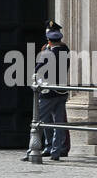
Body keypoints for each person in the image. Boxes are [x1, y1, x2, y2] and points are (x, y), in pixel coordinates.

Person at [24, 20, 71, 161]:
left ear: (49, 39)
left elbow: (38, 69)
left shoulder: (48, 52)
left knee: (38, 121)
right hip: (61, 91)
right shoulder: (64, 50)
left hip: (48, 92)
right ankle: (55, 151)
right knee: (59, 123)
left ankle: (35, 149)